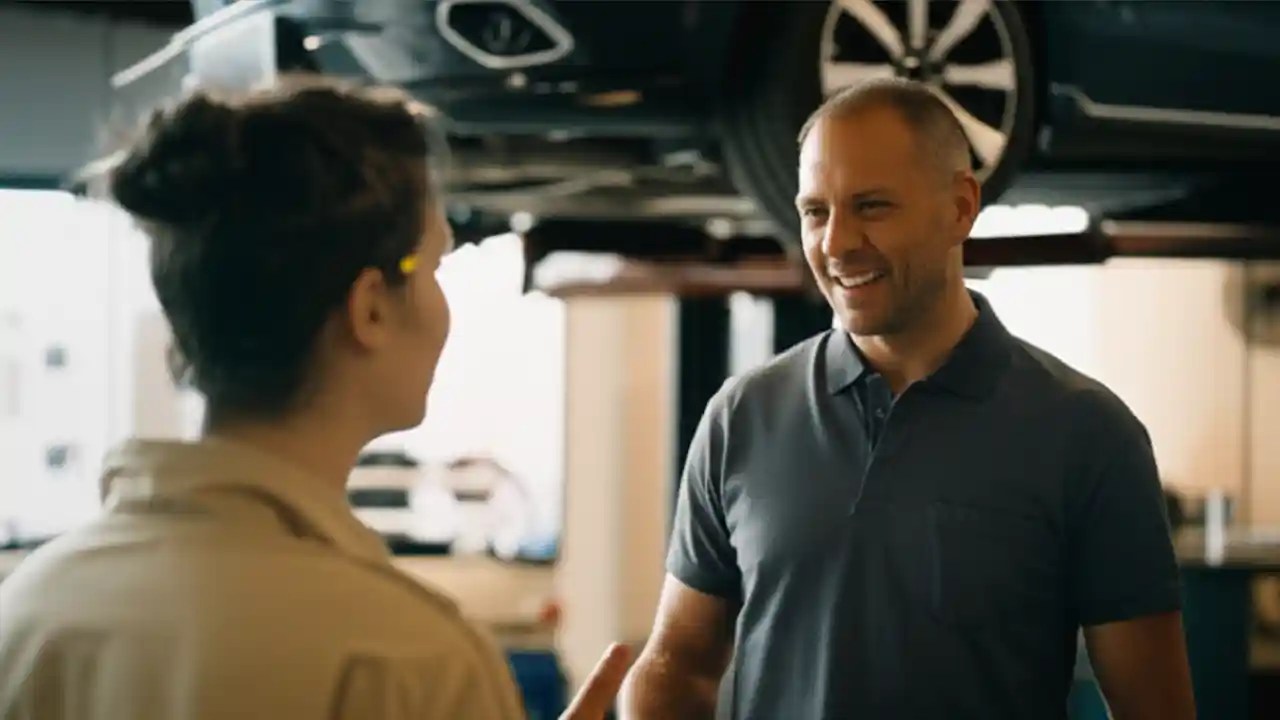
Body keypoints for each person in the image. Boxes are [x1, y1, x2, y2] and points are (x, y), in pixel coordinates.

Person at [0, 77, 628, 719]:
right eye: (434, 267)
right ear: (370, 308)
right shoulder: (409, 659)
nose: (445, 306)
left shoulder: (27, 615)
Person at [620, 78, 1196, 719]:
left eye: (871, 207)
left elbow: (1156, 709)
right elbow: (678, 662)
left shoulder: (1087, 434)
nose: (836, 243)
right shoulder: (742, 418)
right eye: (816, 211)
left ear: (959, 207)